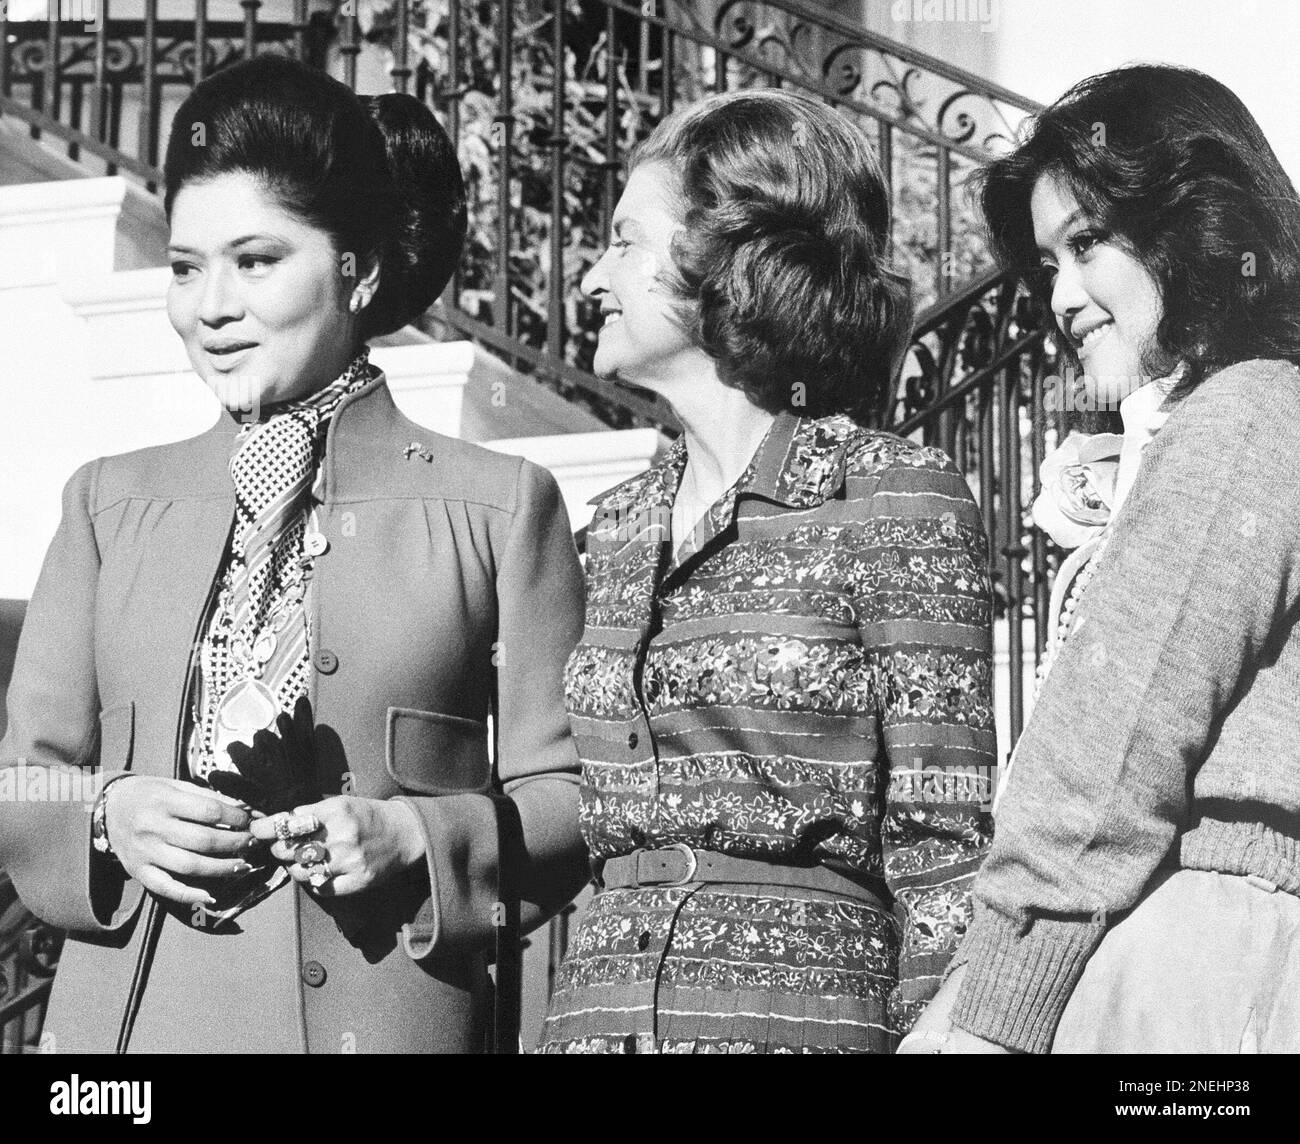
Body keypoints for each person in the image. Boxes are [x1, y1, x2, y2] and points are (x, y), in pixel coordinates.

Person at [0, 54, 588, 1053]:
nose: (209, 307)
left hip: (386, 1021)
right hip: (129, 1044)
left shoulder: (499, 508)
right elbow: (23, 778)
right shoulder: (106, 502)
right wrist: (109, 810)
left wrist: (419, 836)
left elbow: (576, 801)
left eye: (257, 259)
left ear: (356, 268)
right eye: (186, 267)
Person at [537, 89, 995, 1054]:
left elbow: (947, 849)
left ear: (730, 258)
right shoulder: (616, 526)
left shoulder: (890, 497)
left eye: (625, 242)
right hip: (596, 1023)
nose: (590, 277)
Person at [910, 64, 1300, 1054]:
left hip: (1208, 961)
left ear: (1196, 227)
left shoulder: (1246, 413)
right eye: (1046, 263)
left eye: (1086, 243)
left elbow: (1110, 748)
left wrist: (986, 1012)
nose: (1061, 297)